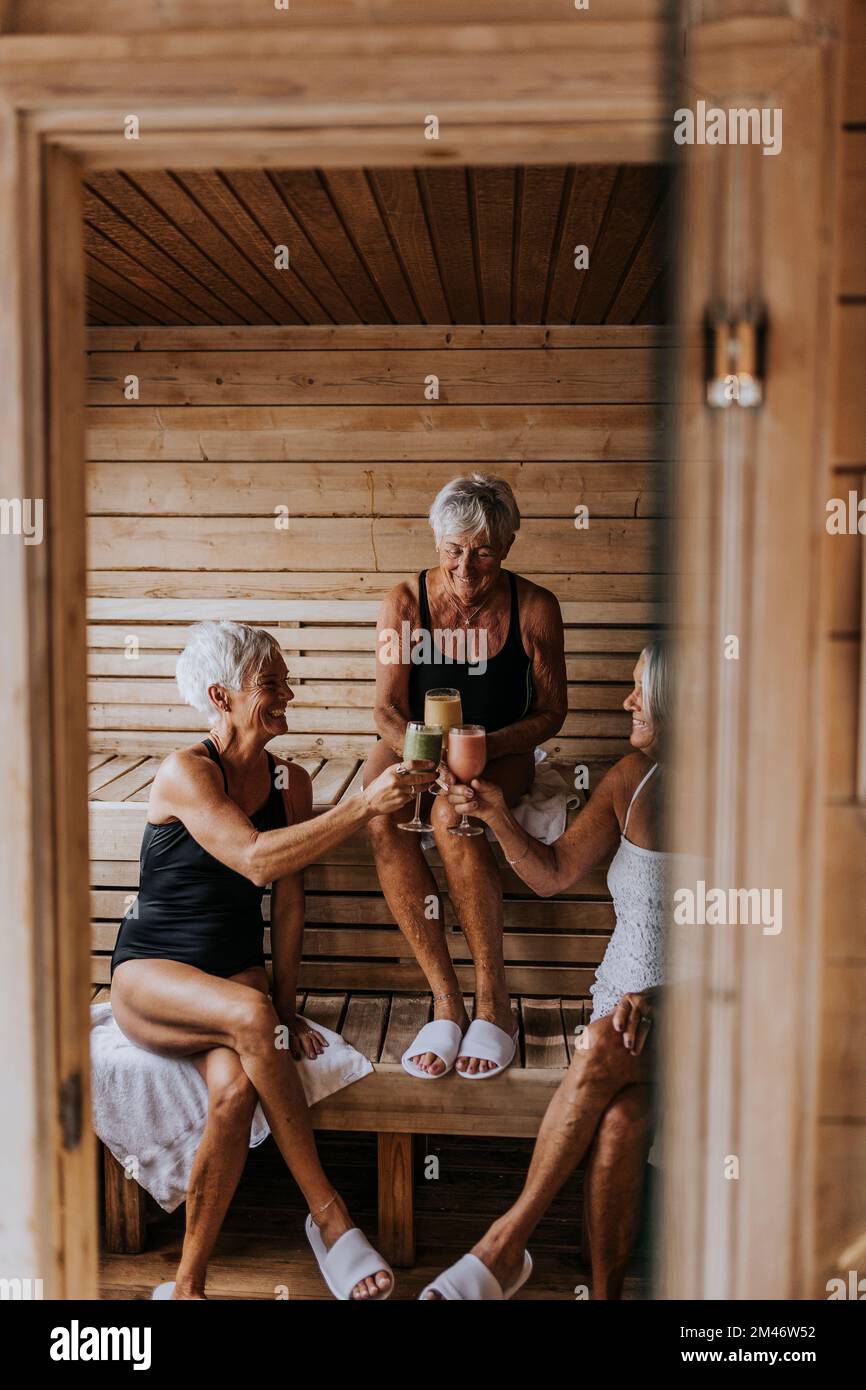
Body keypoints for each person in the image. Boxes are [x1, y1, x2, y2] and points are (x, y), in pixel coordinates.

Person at [109, 620, 432, 1301]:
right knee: (252, 1016)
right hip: (153, 975)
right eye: (270, 683)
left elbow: (289, 903)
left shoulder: (293, 782)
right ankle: (330, 1216)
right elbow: (256, 859)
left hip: (236, 977)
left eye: (285, 679)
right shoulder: (187, 772)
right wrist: (367, 804)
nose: (287, 694)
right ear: (221, 697)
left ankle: (186, 1285)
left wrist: (287, 1012)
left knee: (233, 1093)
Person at [421, 639, 673, 1299]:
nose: (626, 701)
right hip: (617, 1002)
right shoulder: (632, 778)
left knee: (600, 1050)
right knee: (620, 1119)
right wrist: (497, 815)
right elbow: (554, 873)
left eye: (638, 688)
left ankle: (503, 1247)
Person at [363, 473, 567, 1079]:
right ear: (436, 543)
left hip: (499, 743)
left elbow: (553, 712)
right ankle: (446, 1000)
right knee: (381, 813)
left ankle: (492, 1002)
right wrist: (421, 751)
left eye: (481, 551)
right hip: (418, 739)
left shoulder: (535, 607)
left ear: (505, 546)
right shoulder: (404, 601)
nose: (466, 566)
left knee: (457, 814)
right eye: (453, 549)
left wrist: (481, 746)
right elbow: (383, 710)